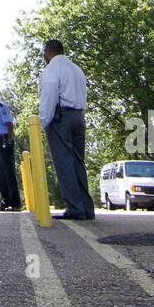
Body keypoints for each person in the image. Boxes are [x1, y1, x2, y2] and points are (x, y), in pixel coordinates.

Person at [38, 39, 95, 220]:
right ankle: (87, 208)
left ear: (48, 52)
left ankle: (75, 208)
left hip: (60, 118)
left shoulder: (51, 71)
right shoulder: (77, 69)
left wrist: (41, 124)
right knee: (78, 162)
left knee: (64, 164)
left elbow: (48, 99)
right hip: (78, 116)